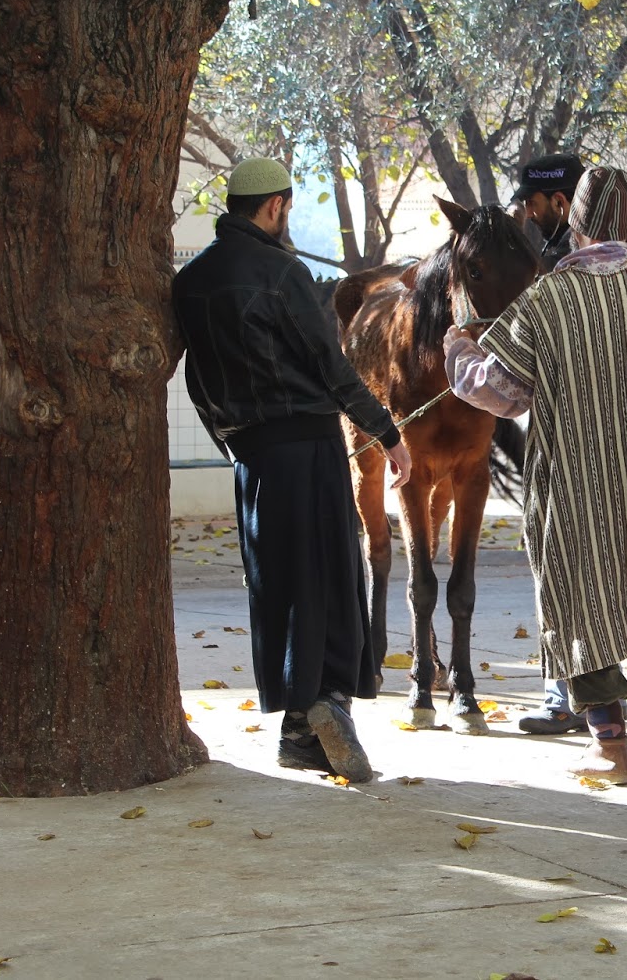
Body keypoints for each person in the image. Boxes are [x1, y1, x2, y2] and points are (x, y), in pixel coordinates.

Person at [444, 166, 627, 784]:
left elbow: (502, 394)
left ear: (574, 221)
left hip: (576, 496)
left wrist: (459, 350)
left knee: (581, 603)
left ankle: (611, 748)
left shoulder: (546, 300)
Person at [172, 157, 411, 784]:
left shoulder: (190, 280)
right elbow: (332, 368)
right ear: (275, 205)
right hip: (308, 445)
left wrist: (231, 445)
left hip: (250, 454)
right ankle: (326, 700)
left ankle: (297, 732)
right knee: (328, 577)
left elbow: (197, 380)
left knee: (276, 585)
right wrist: (388, 434)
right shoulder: (283, 272)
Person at [508, 153, 590, 735]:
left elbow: (514, 374)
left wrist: (464, 349)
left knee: (559, 567)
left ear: (560, 203)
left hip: (568, 446)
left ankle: (565, 697)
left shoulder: (560, 271)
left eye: (533, 204)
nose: (528, 214)